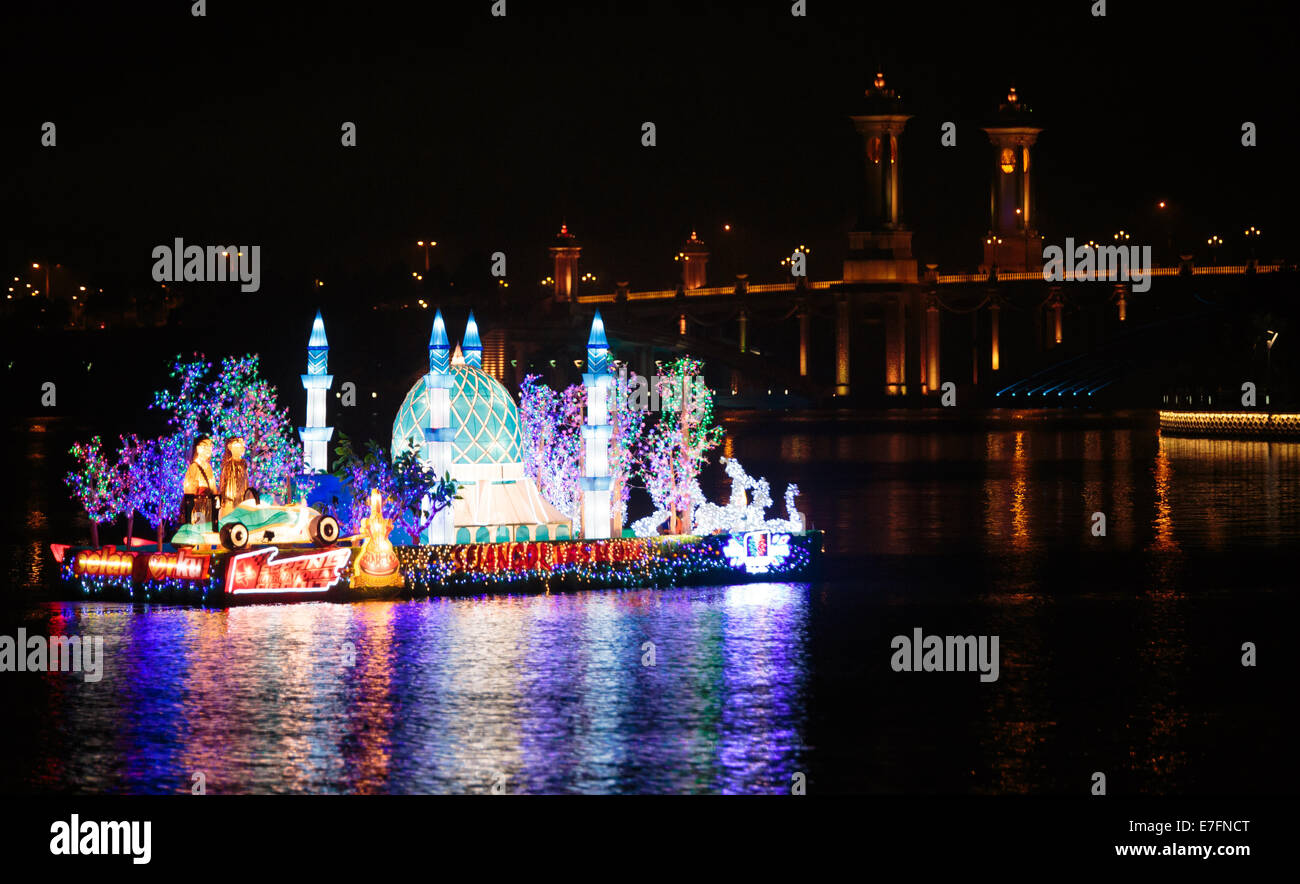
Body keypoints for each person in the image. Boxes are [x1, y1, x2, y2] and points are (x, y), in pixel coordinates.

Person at [180, 436, 218, 533]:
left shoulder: (209, 467)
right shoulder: (194, 467)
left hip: (209, 505)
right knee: (199, 530)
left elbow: (213, 487)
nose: (208, 449)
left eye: (210, 446)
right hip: (198, 504)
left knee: (208, 530)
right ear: (198, 448)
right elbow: (189, 489)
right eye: (205, 446)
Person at [217, 436, 258, 517]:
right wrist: (225, 499)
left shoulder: (244, 464)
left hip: (242, 498)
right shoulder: (228, 464)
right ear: (230, 448)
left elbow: (246, 481)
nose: (239, 449)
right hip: (230, 499)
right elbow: (224, 483)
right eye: (236, 447)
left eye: (240, 447)